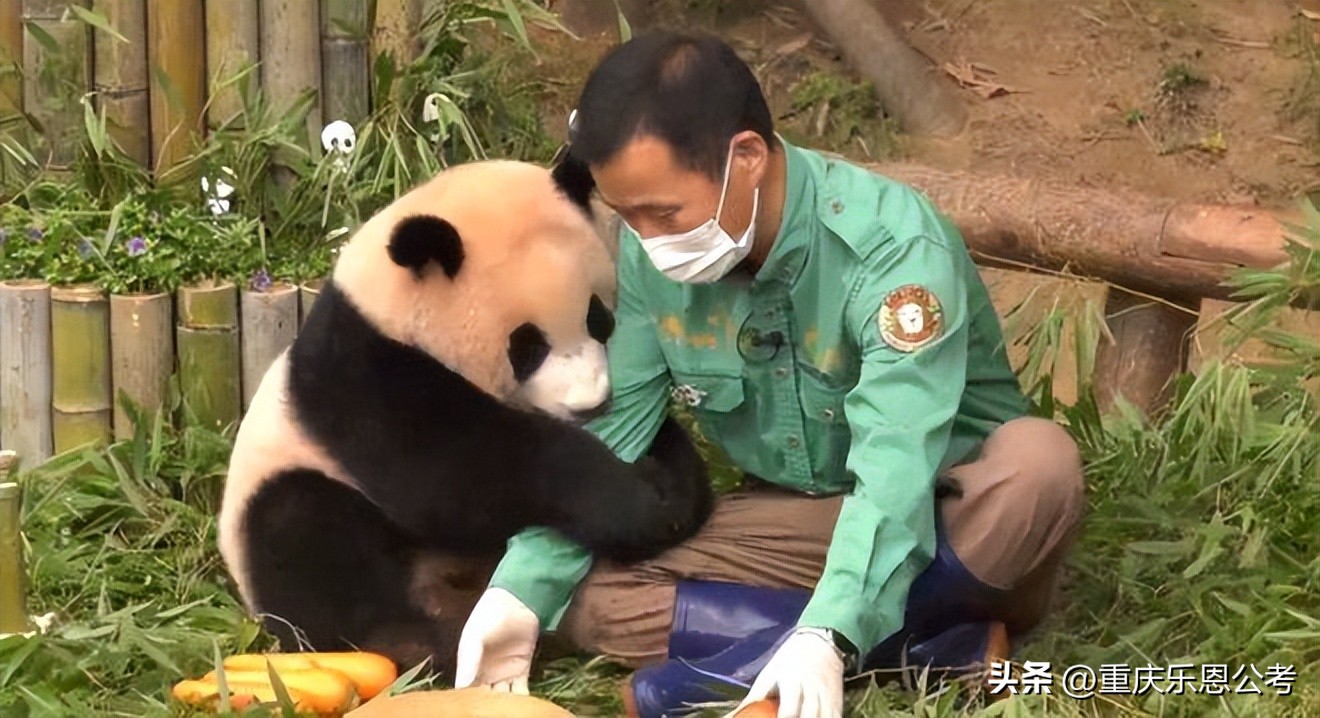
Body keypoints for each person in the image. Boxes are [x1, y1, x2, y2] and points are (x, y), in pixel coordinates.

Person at [453, 30, 1086, 718]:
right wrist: (520, 588)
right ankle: (925, 648)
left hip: (949, 515)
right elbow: (613, 428)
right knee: (590, 593)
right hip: (799, 522)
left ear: (746, 157)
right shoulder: (650, 256)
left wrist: (830, 627)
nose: (646, 240)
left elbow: (896, 465)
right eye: (626, 217)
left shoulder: (891, 250)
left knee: (1039, 468)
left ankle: (821, 643)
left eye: (664, 212)